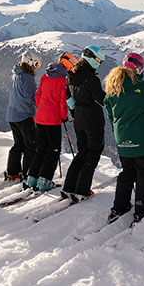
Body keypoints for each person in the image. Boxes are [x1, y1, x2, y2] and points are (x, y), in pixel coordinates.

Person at [104, 52, 144, 225]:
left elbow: (110, 115)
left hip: (122, 140)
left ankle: (119, 207)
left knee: (127, 173)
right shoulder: (142, 87)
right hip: (143, 140)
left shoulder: (112, 89)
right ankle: (142, 209)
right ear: (138, 69)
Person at [62, 46, 107, 203]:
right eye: (99, 61)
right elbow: (102, 99)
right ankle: (82, 190)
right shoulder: (91, 79)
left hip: (79, 120)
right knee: (93, 153)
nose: (100, 64)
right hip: (93, 120)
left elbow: (69, 99)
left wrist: (75, 112)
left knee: (82, 153)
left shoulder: (71, 76)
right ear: (92, 59)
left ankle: (69, 186)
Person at [27, 60, 69, 193]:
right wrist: (64, 116)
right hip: (53, 120)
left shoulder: (45, 76)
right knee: (53, 150)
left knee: (40, 149)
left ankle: (32, 178)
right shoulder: (62, 81)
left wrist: (42, 107)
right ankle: (45, 180)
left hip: (40, 117)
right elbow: (63, 102)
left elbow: (37, 96)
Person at [5, 51, 41, 183]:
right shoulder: (27, 77)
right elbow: (30, 97)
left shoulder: (15, 74)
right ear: (30, 61)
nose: (36, 67)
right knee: (30, 146)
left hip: (12, 115)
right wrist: (41, 105)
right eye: (36, 64)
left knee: (18, 144)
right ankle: (28, 174)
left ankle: (13, 172)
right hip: (24, 116)